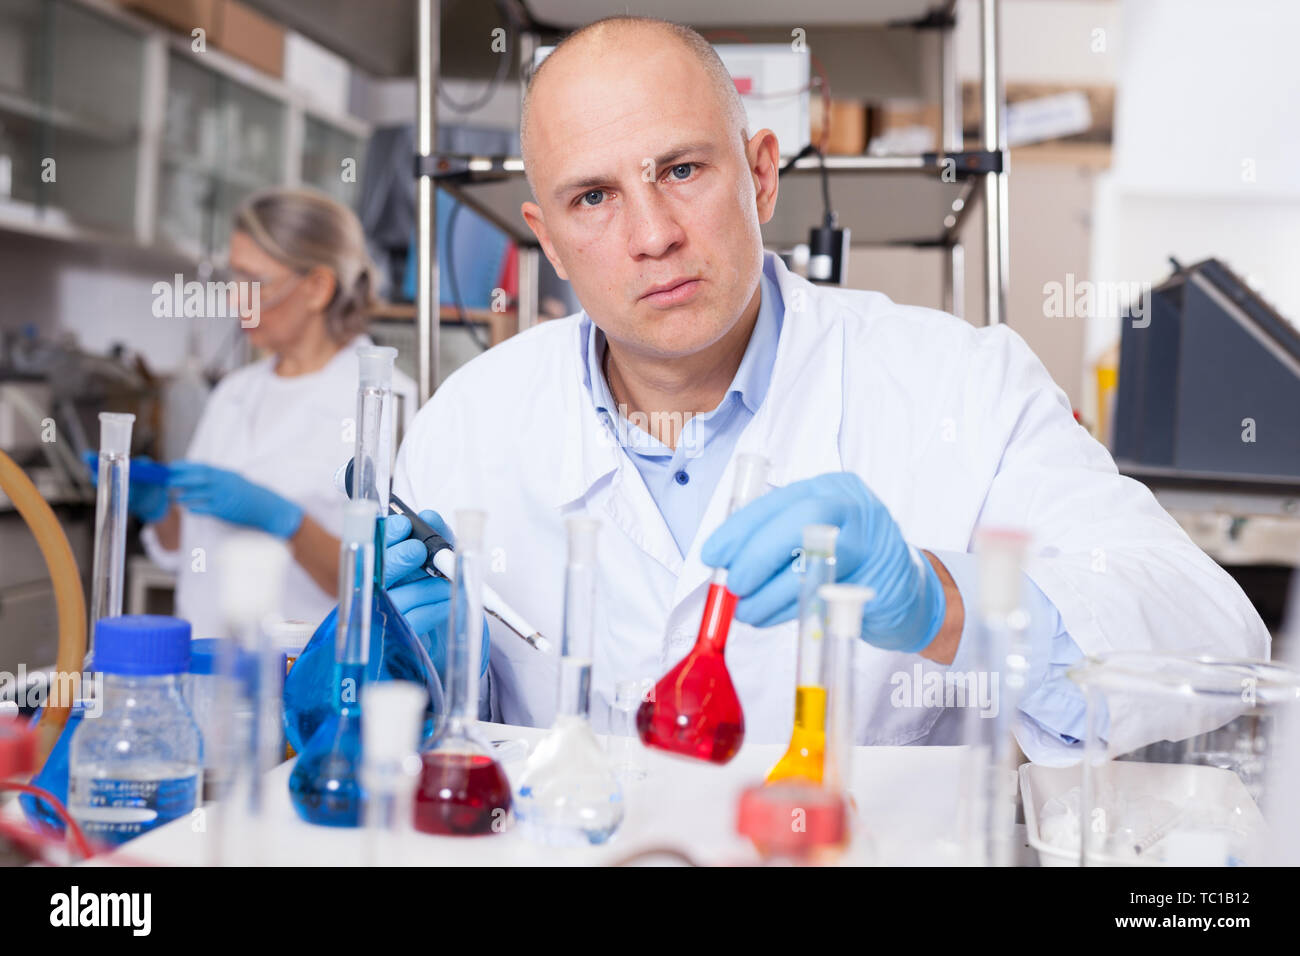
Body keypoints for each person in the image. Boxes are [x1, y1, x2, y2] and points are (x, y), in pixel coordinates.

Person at [384, 17, 1268, 760]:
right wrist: (385, 675)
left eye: (683, 170)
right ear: (547, 237)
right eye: (593, 198)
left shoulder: (962, 386)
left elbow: (1217, 641)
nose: (652, 234)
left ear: (761, 173)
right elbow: (423, 743)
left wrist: (944, 602)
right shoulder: (466, 426)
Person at [137, 188, 418, 639]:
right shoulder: (233, 392)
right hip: (205, 663)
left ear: (316, 288)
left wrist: (288, 521)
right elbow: (186, 549)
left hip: (304, 675)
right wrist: (160, 511)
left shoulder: (386, 404)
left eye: (255, 281)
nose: (235, 300)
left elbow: (380, 587)